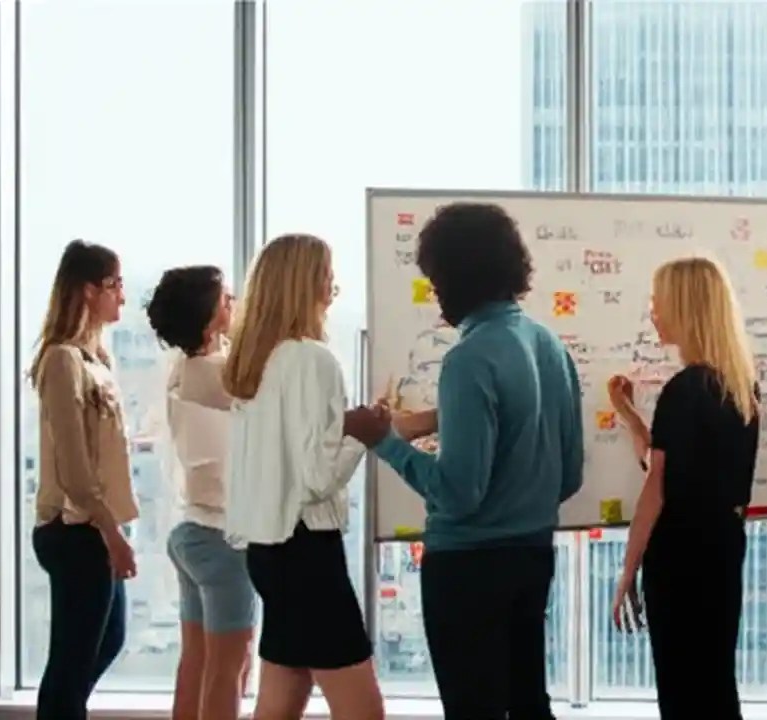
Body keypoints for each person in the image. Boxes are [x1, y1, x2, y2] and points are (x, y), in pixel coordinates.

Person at [351, 202, 584, 720]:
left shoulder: (469, 359)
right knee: (528, 703)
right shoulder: (550, 346)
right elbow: (568, 476)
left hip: (467, 566)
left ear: (459, 276)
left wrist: (384, 442)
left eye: (436, 281)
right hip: (532, 555)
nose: (434, 296)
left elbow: (458, 493)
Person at [221, 234, 384, 720]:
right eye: (326, 274)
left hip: (268, 552)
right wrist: (360, 436)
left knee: (282, 695)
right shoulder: (313, 359)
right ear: (307, 283)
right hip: (308, 549)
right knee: (362, 710)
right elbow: (317, 476)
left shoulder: (256, 364)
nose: (333, 286)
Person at [606, 256, 760, 719]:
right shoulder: (739, 386)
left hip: (679, 556)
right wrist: (631, 417)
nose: (653, 312)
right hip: (721, 549)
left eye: (658, 301)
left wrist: (627, 571)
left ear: (685, 307)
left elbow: (657, 489)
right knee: (712, 681)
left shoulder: (684, 388)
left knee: (681, 689)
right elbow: (671, 465)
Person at [29, 239, 138, 720]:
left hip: (92, 529)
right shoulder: (62, 361)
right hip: (75, 530)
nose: (121, 295)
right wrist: (112, 533)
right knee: (71, 666)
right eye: (114, 284)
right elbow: (73, 467)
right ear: (87, 290)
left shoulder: (96, 361)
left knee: (105, 642)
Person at [145, 265, 253, 720]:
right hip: (222, 539)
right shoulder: (216, 373)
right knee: (231, 668)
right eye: (226, 300)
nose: (234, 305)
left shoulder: (184, 368)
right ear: (209, 318)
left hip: (192, 532)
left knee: (197, 663)